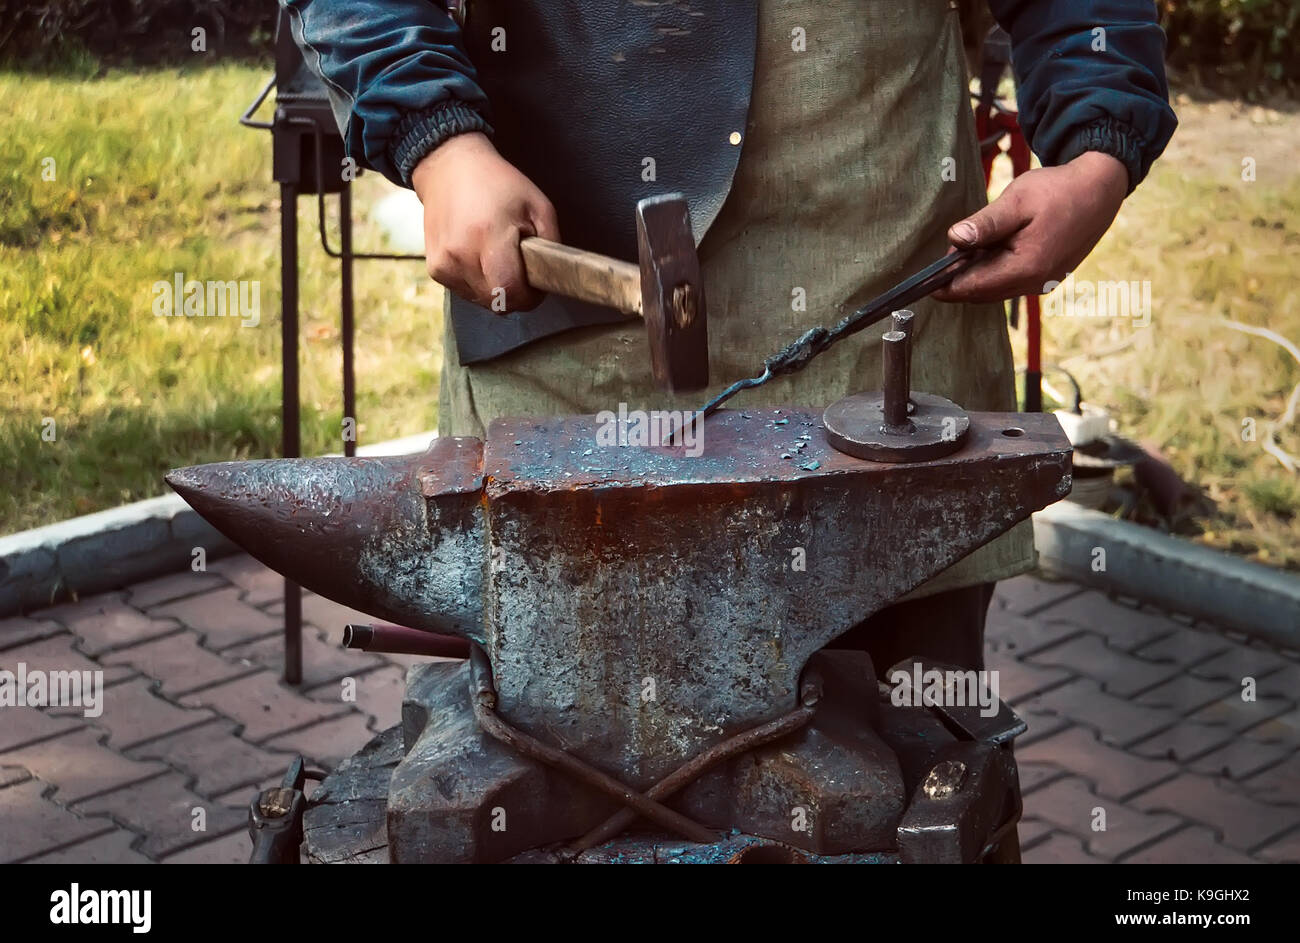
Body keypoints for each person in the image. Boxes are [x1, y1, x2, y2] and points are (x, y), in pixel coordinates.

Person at [281, 0, 1177, 670]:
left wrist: (1100, 144)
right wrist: (439, 140)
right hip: (572, 381)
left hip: (890, 363)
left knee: (907, 784)